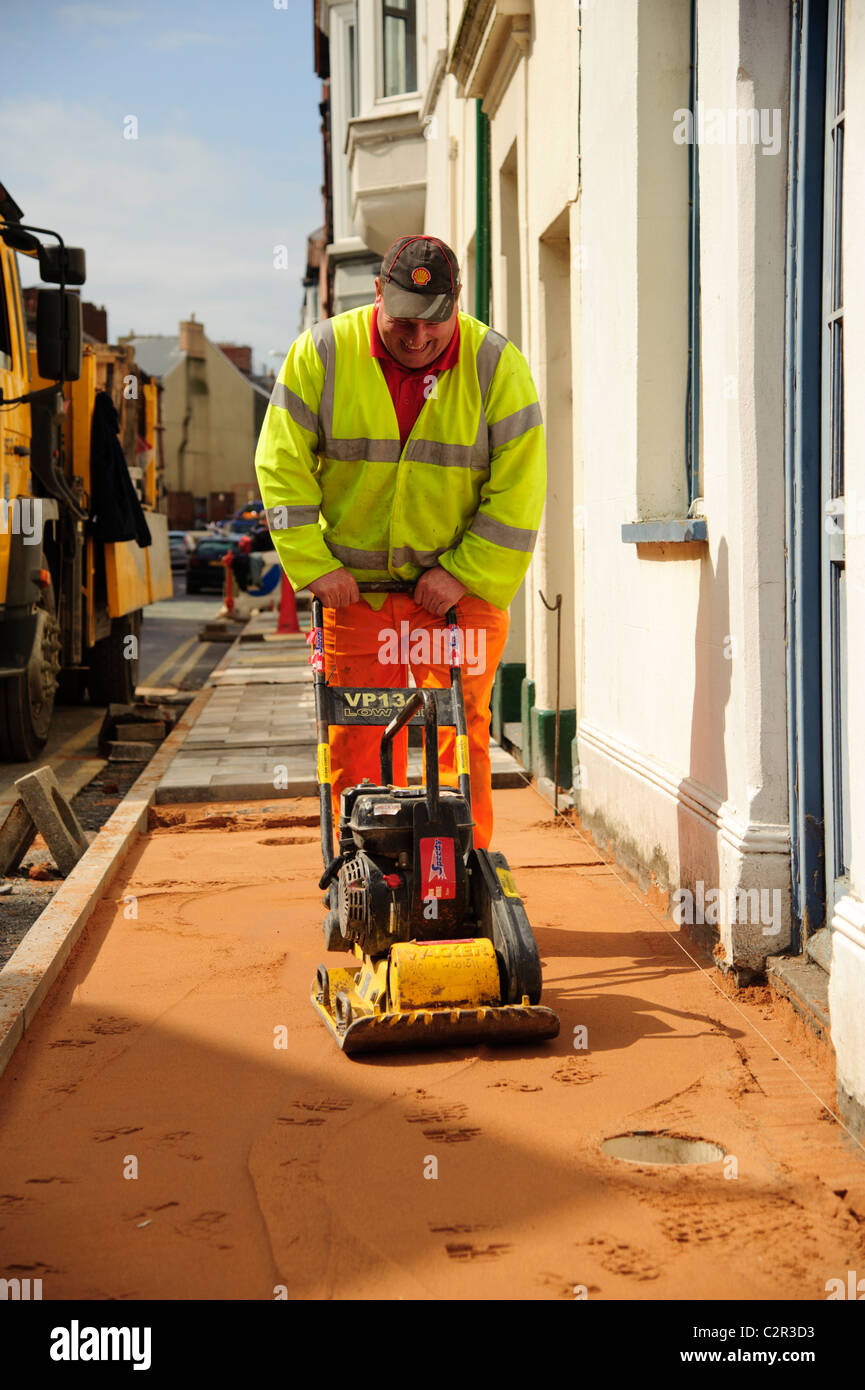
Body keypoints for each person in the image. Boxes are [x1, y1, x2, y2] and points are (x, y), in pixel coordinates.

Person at [254, 234, 545, 850]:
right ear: (379, 293)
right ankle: (362, 871)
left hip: (456, 595)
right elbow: (280, 467)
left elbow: (521, 487)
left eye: (434, 323)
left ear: (457, 300)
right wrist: (314, 566)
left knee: (460, 734)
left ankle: (458, 868)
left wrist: (464, 572)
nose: (417, 339)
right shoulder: (322, 354)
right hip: (354, 594)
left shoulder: (496, 365)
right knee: (354, 737)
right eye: (403, 322)